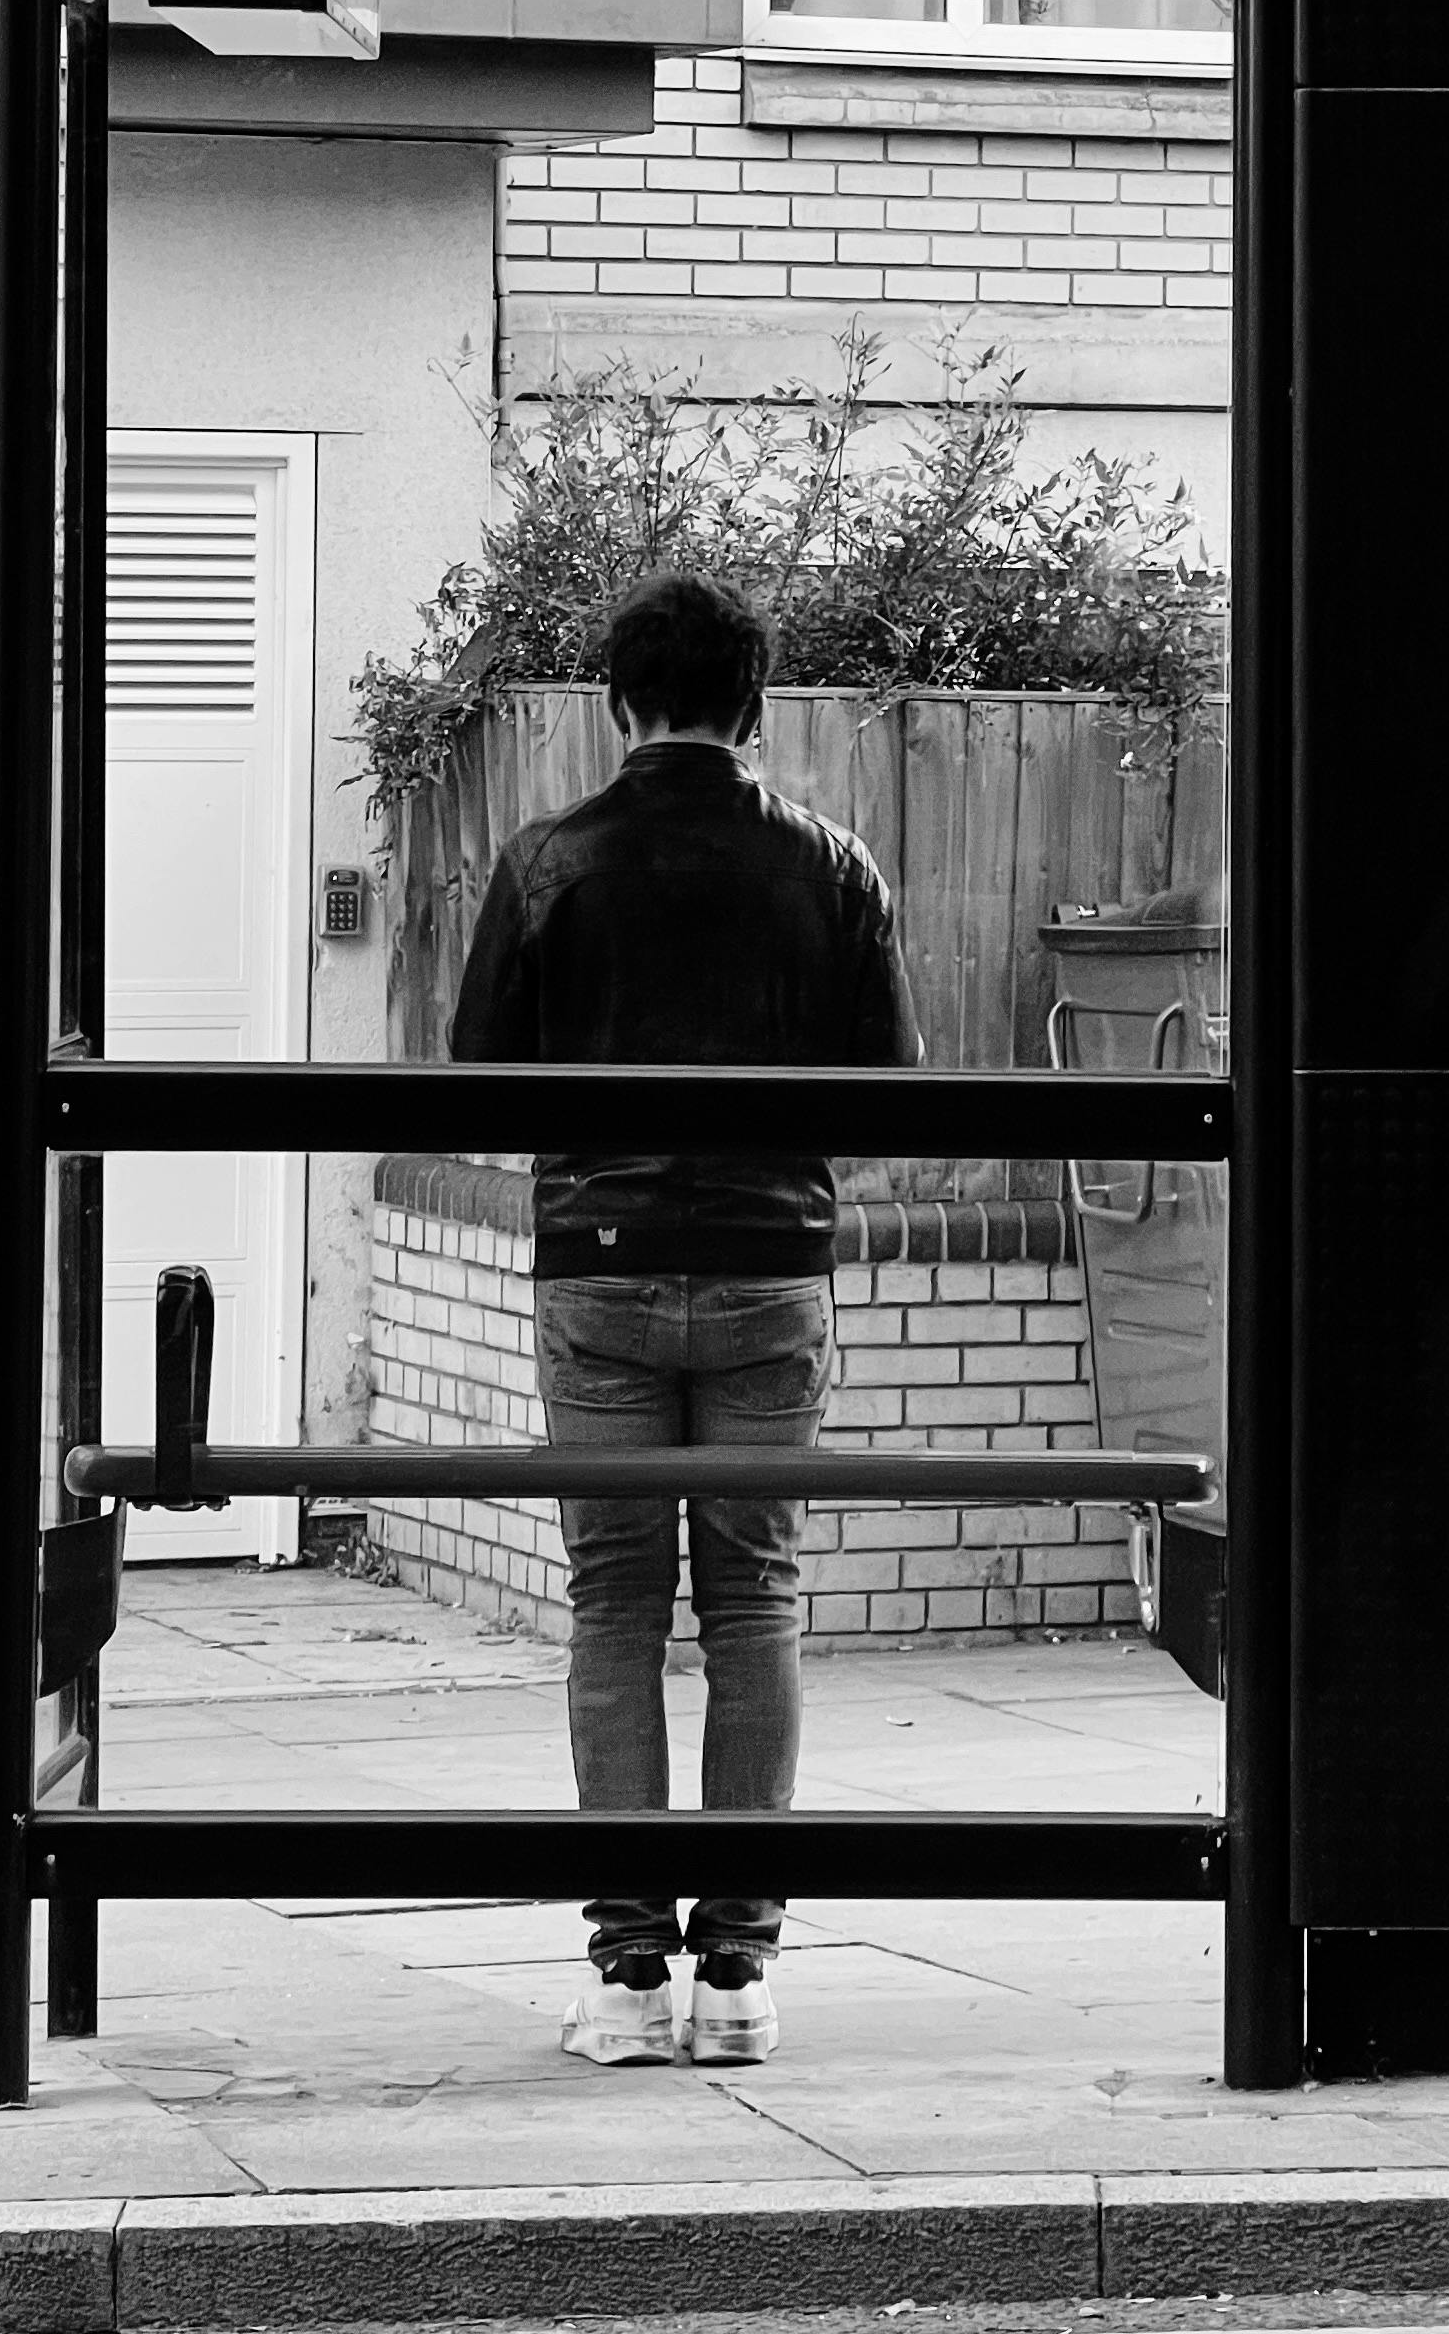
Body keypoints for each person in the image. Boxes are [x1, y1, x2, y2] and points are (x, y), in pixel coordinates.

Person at [451, 566, 922, 2068]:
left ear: (616, 702)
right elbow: (892, 1096)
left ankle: (627, 1976)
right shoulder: (835, 865)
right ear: (758, 705)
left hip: (594, 1270)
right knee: (754, 1603)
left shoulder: (542, 861)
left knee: (611, 1611)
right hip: (771, 1270)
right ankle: (739, 1976)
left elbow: (476, 1079)